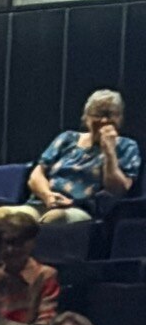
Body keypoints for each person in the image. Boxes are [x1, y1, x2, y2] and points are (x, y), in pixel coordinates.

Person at [28, 89, 140, 245]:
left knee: (54, 219)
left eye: (110, 114)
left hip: (82, 209)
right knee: (2, 216)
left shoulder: (127, 146)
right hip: (43, 202)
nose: (104, 120)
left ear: (119, 118)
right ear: (86, 117)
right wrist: (48, 196)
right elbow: (36, 176)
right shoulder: (67, 138)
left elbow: (117, 189)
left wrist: (109, 152)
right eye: (98, 114)